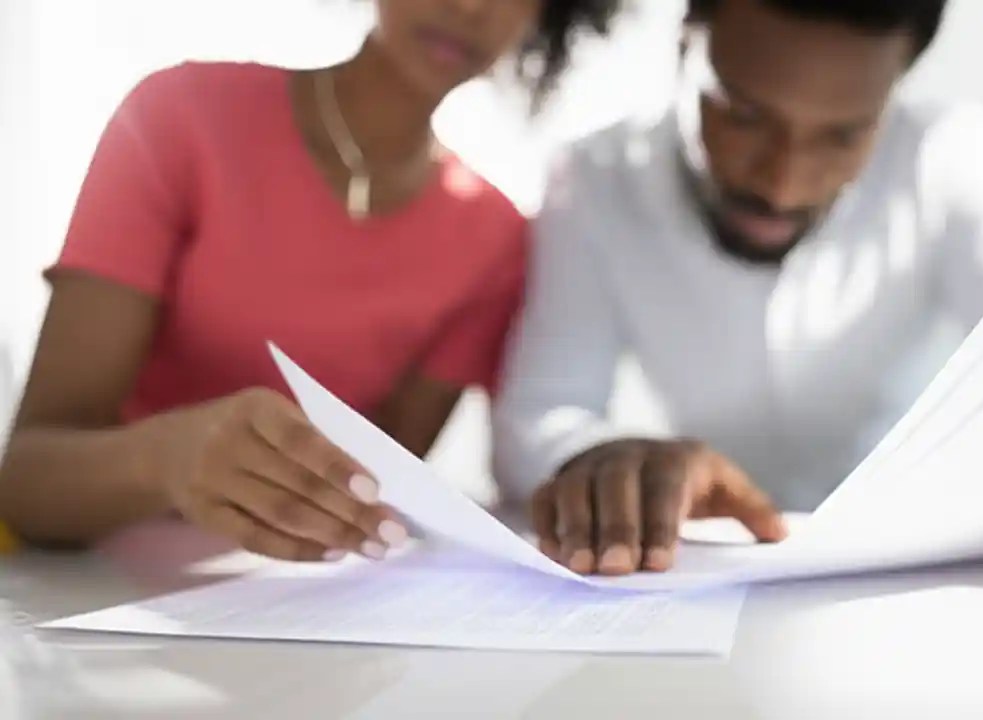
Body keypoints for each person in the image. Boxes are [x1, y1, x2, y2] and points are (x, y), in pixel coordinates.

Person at [494, 0, 983, 577]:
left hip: (915, 582)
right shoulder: (593, 179)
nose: (782, 181)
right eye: (742, 114)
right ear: (684, 42)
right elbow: (538, 415)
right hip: (697, 570)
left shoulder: (947, 155)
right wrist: (600, 459)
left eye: (843, 133)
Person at [0, 0, 619, 562]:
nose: (470, 5)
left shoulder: (494, 240)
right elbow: (26, 482)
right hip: (90, 597)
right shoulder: (181, 117)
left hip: (296, 620)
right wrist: (166, 457)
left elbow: (370, 500)